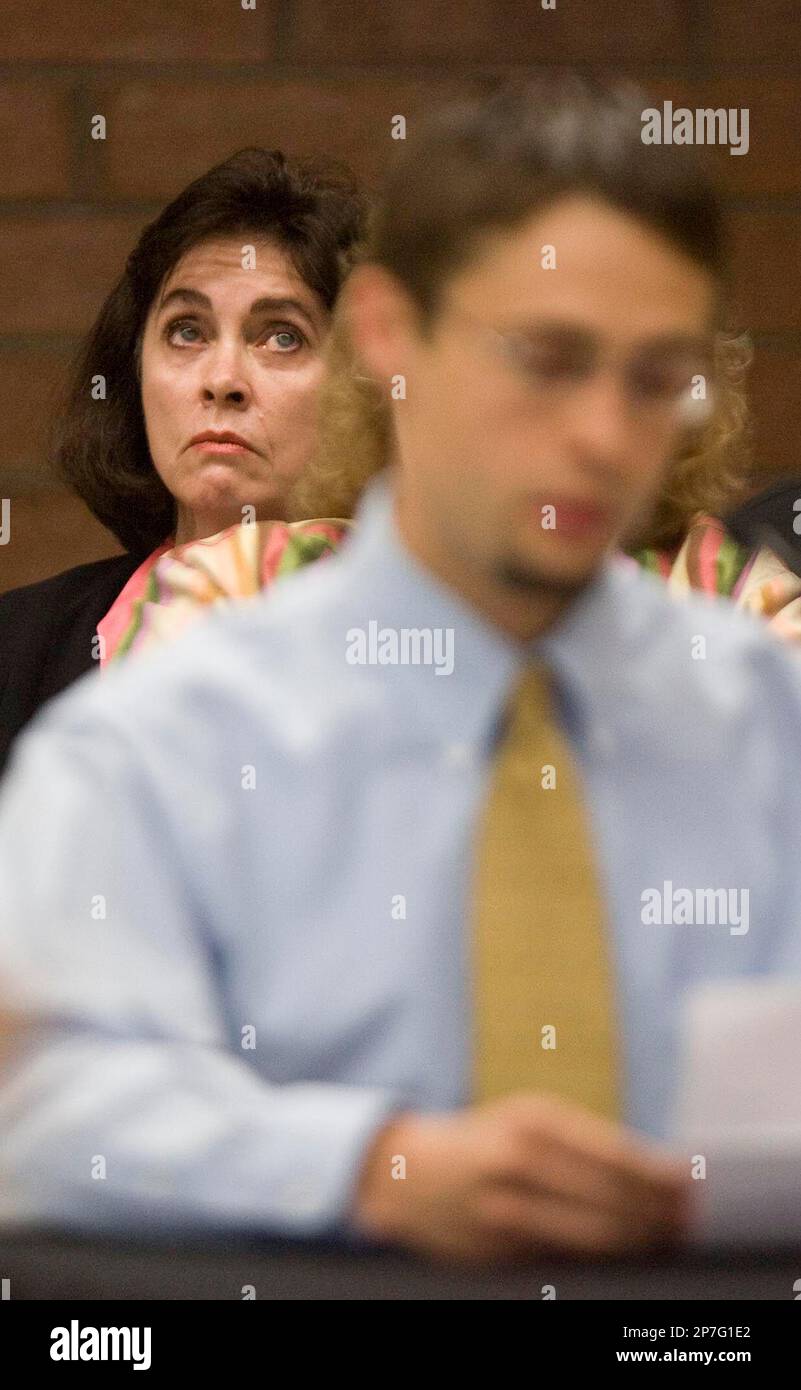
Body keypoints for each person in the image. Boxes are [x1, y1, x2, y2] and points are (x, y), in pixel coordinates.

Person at [2, 74, 801, 1265]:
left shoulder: (768, 720)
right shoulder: (174, 728)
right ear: (386, 337)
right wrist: (366, 1168)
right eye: (544, 358)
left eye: (652, 377)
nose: (600, 435)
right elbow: (40, 1107)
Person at [0, 147, 367, 774]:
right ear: (135, 369)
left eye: (282, 337)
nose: (222, 380)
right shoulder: (18, 647)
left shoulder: (437, 642)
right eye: (187, 331)